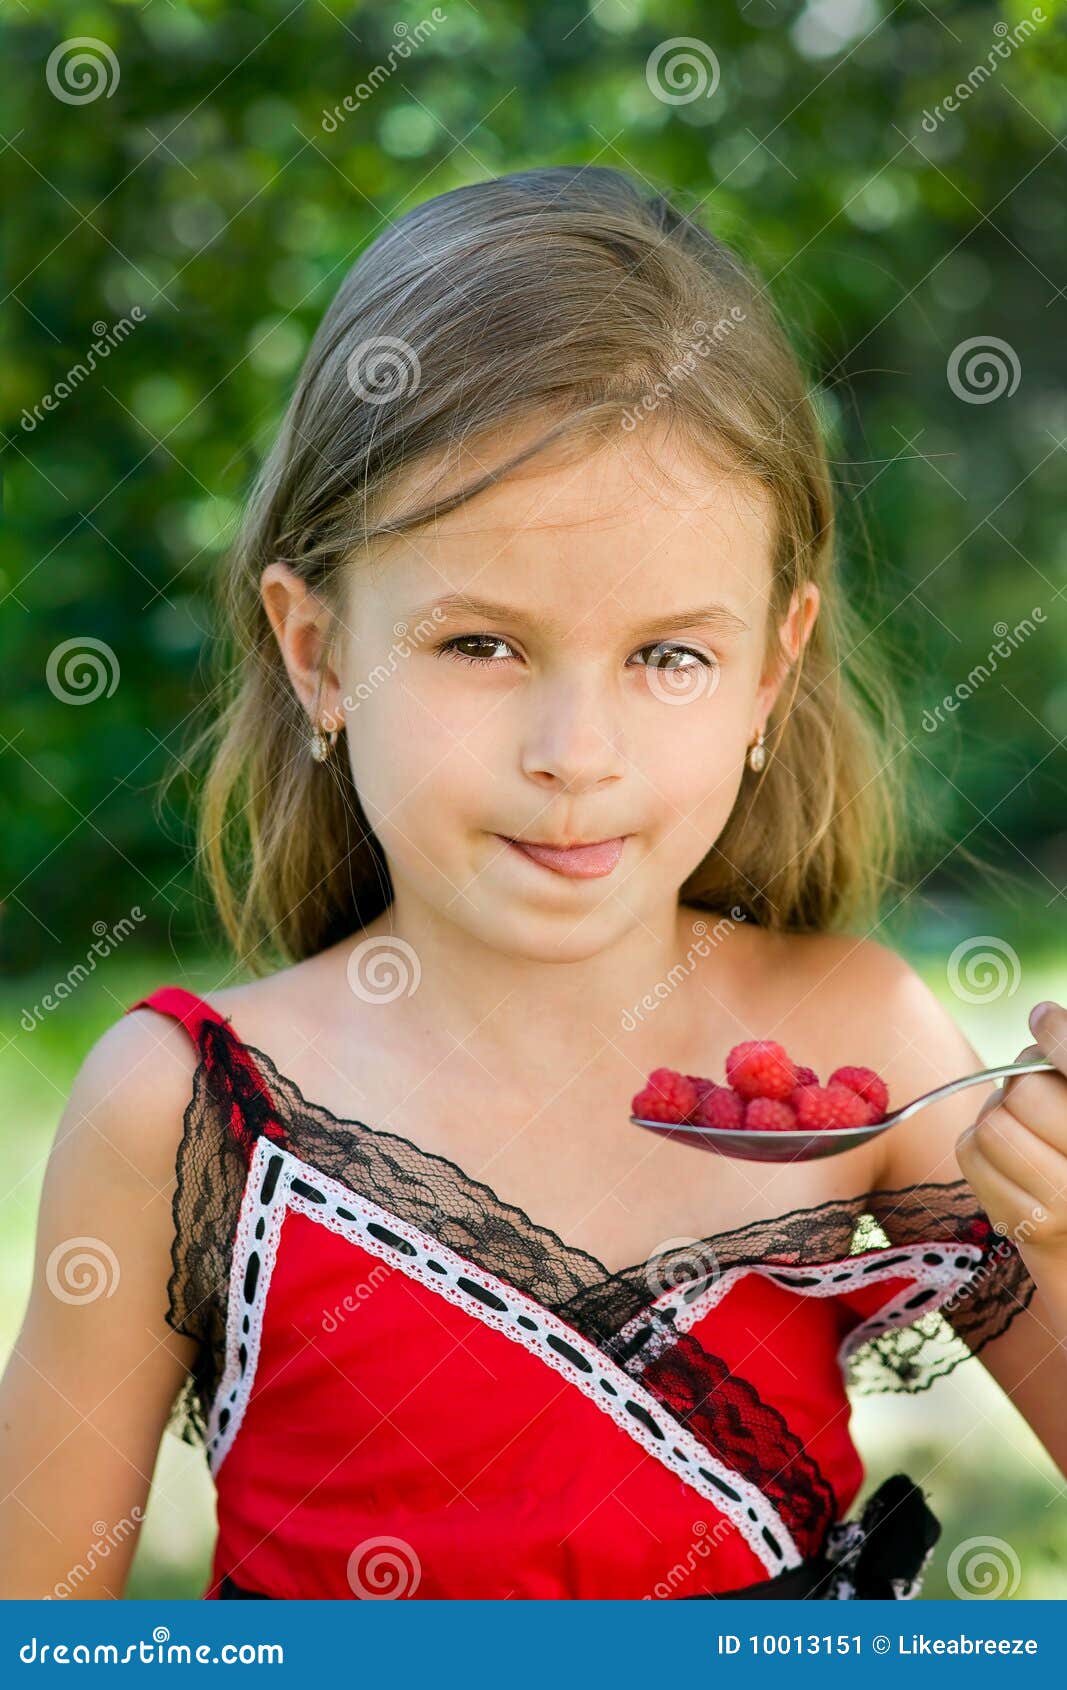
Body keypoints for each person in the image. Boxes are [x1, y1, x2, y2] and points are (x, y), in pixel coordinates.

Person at [2, 166, 1065, 1602]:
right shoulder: (183, 1112)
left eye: (668, 656)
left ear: (769, 668)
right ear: (319, 654)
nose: (576, 753)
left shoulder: (862, 1049)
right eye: (480, 646)